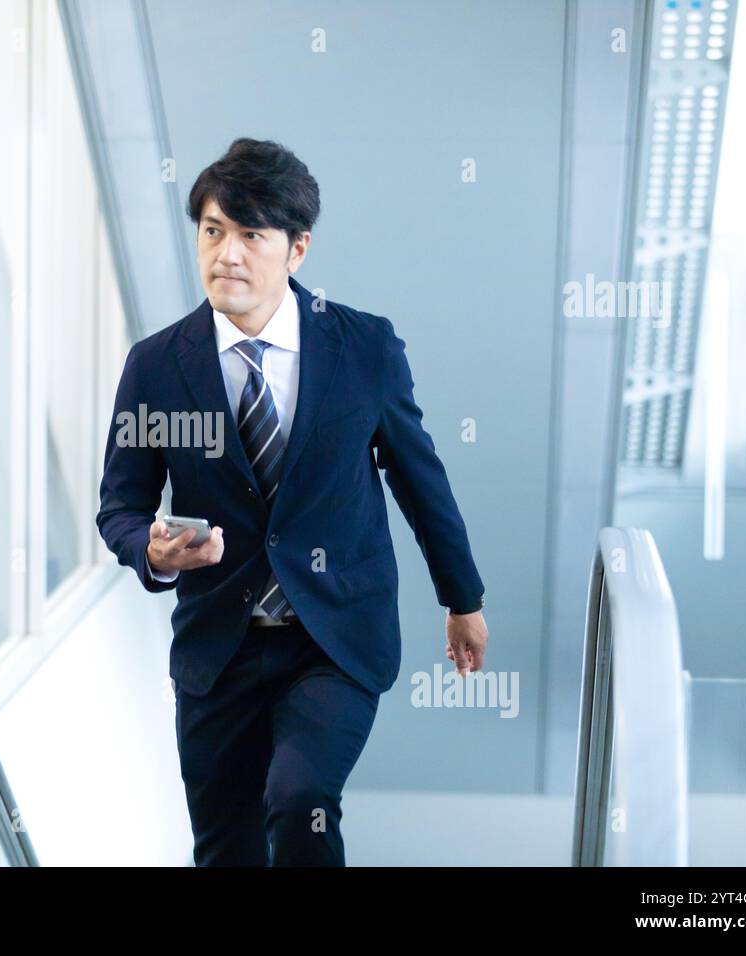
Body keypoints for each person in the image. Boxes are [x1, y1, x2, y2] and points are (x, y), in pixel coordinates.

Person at [95, 137, 490, 866]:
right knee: (226, 848)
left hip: (333, 638)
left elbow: (418, 478)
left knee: (300, 797)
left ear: (297, 250)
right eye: (213, 231)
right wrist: (151, 548)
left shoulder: (364, 348)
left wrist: (460, 598)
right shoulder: (156, 365)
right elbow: (119, 505)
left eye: (251, 234)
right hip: (220, 649)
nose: (228, 254)